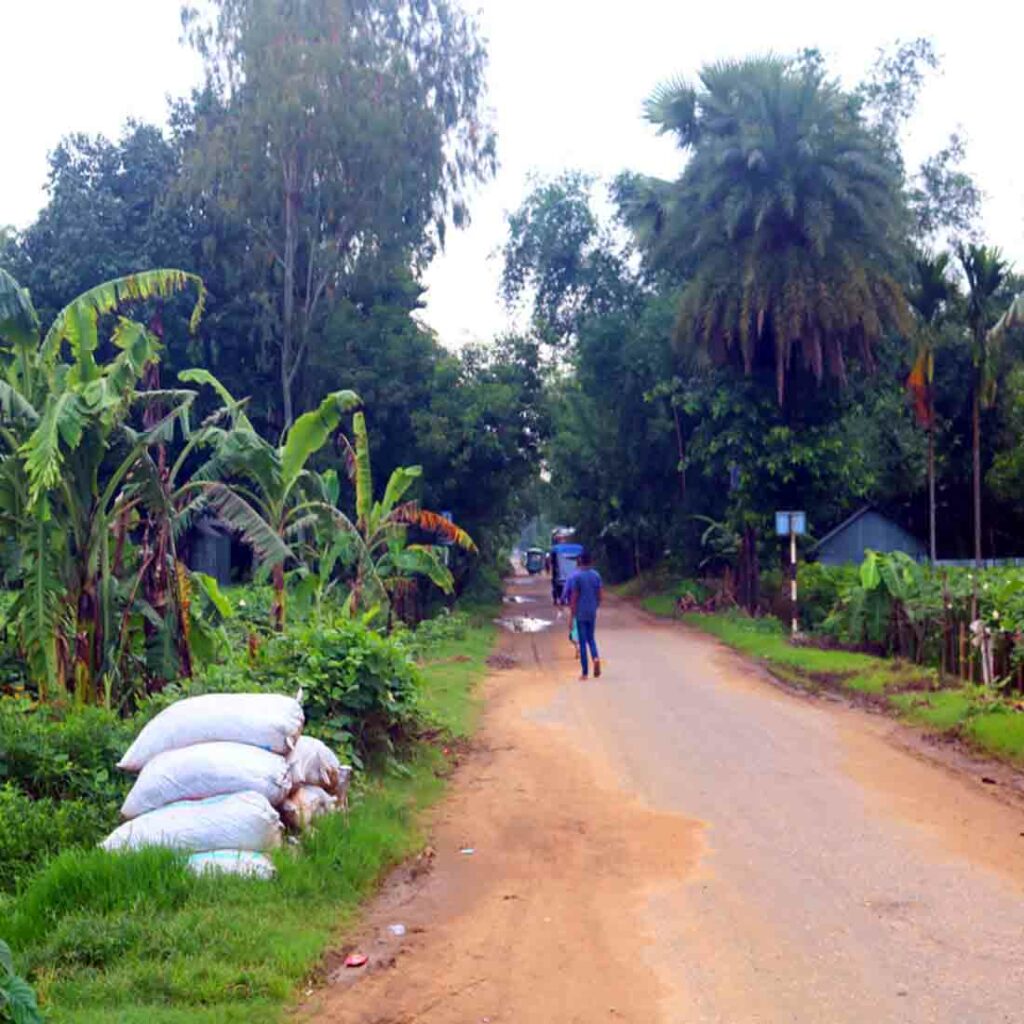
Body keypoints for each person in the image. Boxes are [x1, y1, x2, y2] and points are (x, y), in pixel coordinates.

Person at [566, 550, 603, 680]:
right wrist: (595, 606)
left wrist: (572, 614)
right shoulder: (596, 576)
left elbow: (574, 596)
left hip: (580, 613)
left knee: (582, 642)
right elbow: (600, 595)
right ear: (591, 561)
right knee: (591, 638)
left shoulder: (577, 577)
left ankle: (585, 673)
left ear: (580, 561)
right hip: (591, 611)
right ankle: (596, 657)